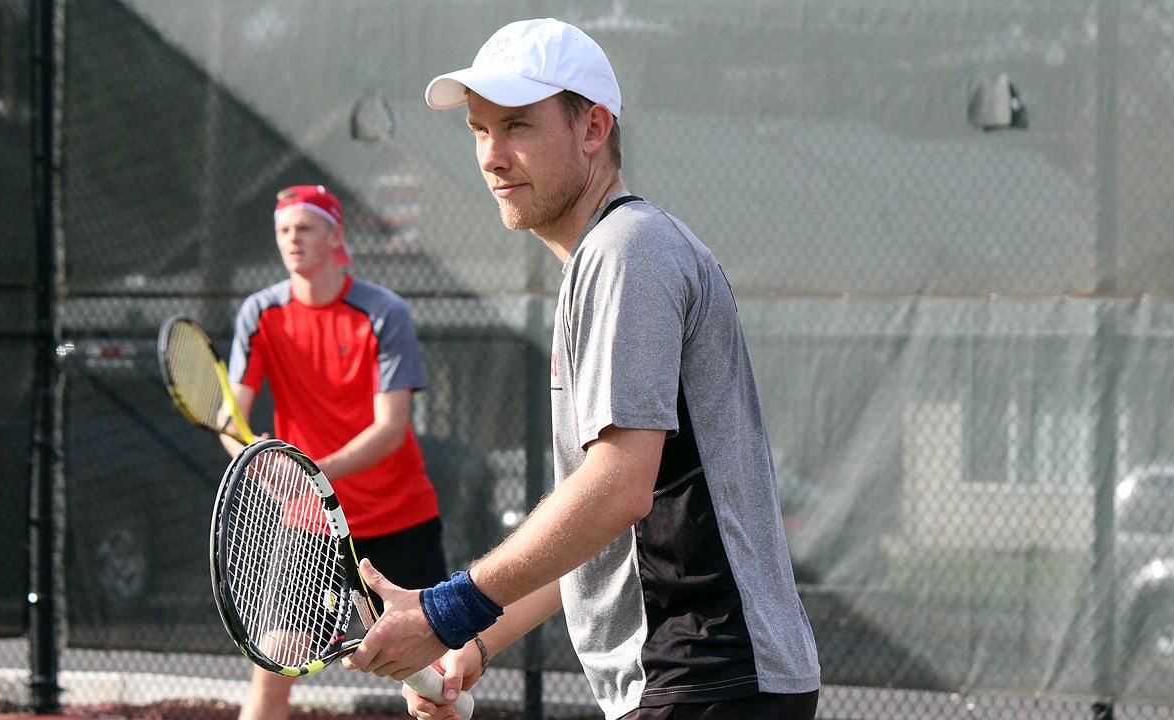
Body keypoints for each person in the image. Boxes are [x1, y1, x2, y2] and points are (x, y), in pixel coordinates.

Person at [342, 18, 821, 720]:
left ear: (593, 129)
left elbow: (615, 491)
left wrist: (444, 612)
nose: (492, 156)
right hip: (704, 681)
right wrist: (469, 646)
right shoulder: (608, 259)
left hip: (706, 677)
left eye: (517, 127)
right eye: (479, 130)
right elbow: (595, 530)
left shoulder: (627, 252)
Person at [222, 185, 449, 720]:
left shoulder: (383, 313)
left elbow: (390, 428)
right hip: (309, 531)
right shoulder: (260, 314)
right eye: (282, 230)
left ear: (336, 235)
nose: (292, 239)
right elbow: (232, 422)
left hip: (401, 520)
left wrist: (312, 471)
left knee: (434, 682)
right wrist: (256, 462)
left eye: (304, 227)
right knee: (275, 662)